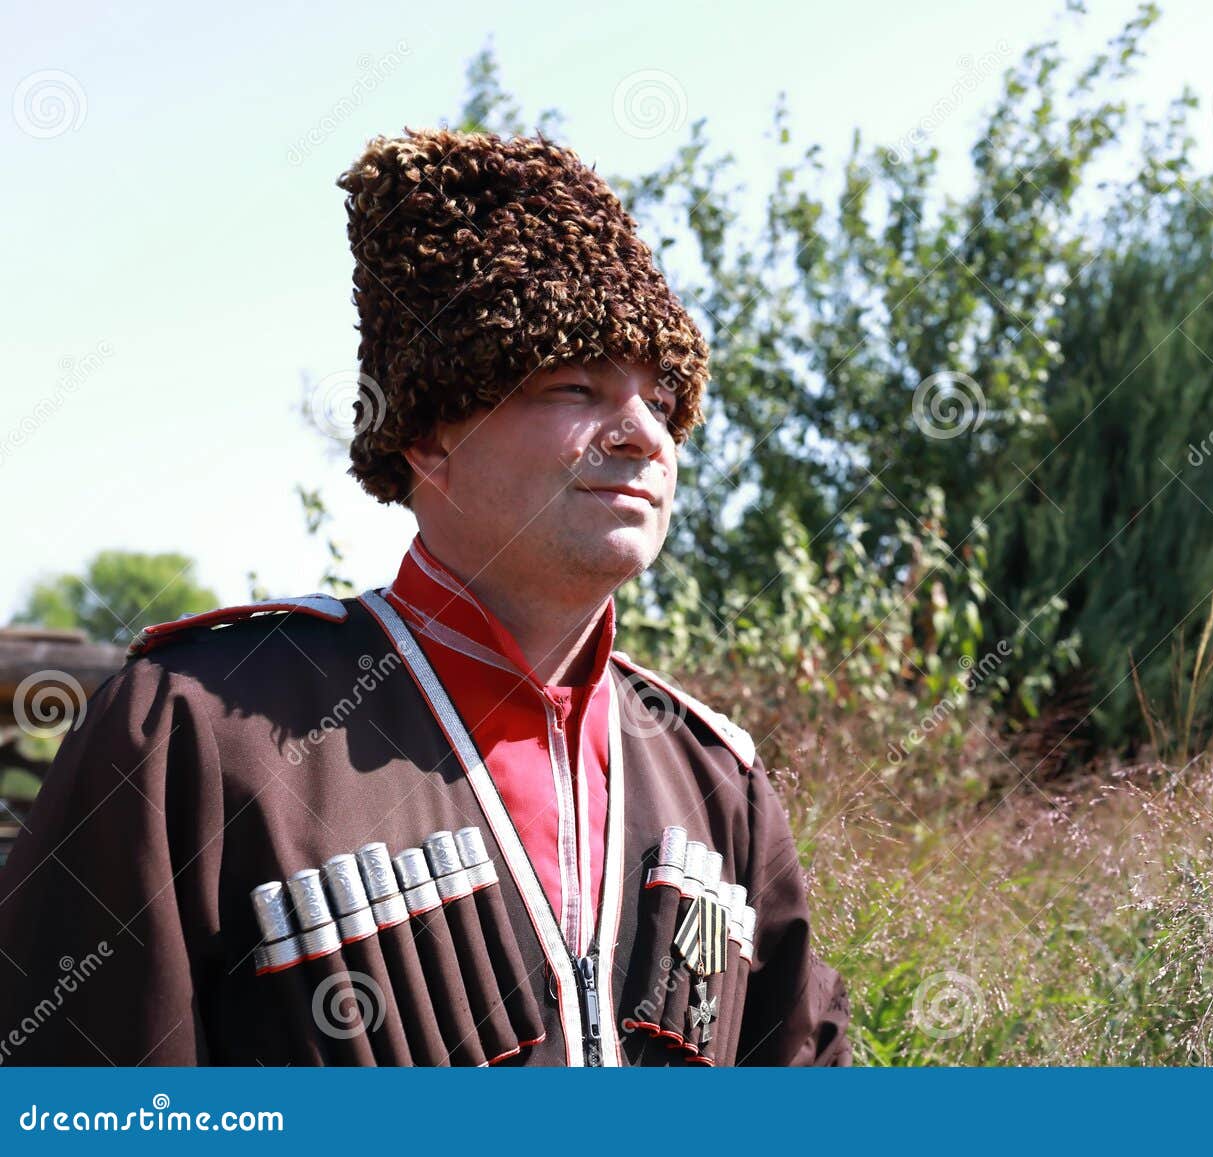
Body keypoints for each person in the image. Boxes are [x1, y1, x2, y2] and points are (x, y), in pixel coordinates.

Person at [0, 127, 850, 1067]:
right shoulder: (198, 731)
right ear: (428, 437)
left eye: (665, 398)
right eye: (577, 385)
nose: (645, 432)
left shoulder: (715, 779)